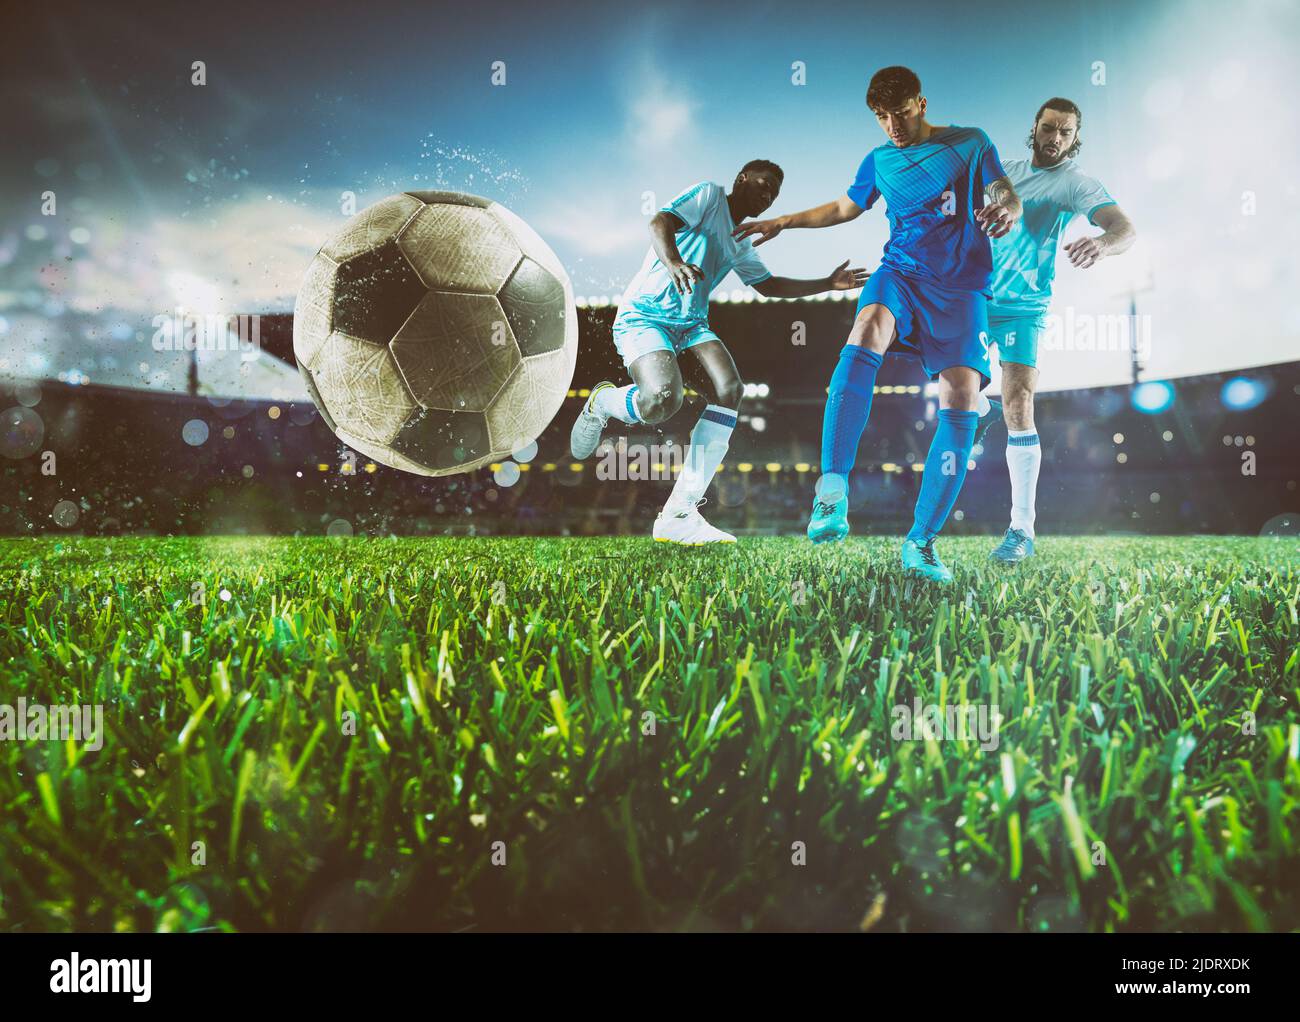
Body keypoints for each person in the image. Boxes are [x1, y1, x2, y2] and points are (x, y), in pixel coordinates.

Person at [735, 66, 1022, 581]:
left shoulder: (969, 143)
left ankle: (921, 543)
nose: (892, 125)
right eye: (881, 116)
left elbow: (1002, 189)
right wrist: (784, 220)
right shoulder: (880, 160)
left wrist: (1008, 209)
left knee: (961, 398)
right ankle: (832, 489)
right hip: (902, 274)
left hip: (961, 291)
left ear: (923, 103)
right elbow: (846, 206)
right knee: (867, 325)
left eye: (902, 112)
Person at [569, 160, 867, 544]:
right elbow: (659, 222)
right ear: (741, 178)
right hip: (645, 316)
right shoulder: (710, 197)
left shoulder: (741, 239)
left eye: (774, 192)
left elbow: (769, 286)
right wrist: (674, 262)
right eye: (763, 184)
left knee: (730, 390)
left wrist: (827, 282)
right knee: (662, 400)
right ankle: (603, 402)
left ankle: (679, 513)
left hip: (691, 326)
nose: (768, 194)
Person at [983, 97, 1136, 563]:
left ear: (1074, 138)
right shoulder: (999, 171)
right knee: (955, 391)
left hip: (1023, 308)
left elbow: (1124, 227)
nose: (1054, 138)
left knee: (1018, 401)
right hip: (972, 298)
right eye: (1048, 128)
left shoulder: (1075, 183)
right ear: (1034, 127)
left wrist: (1104, 244)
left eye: (1064, 132)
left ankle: (1020, 532)